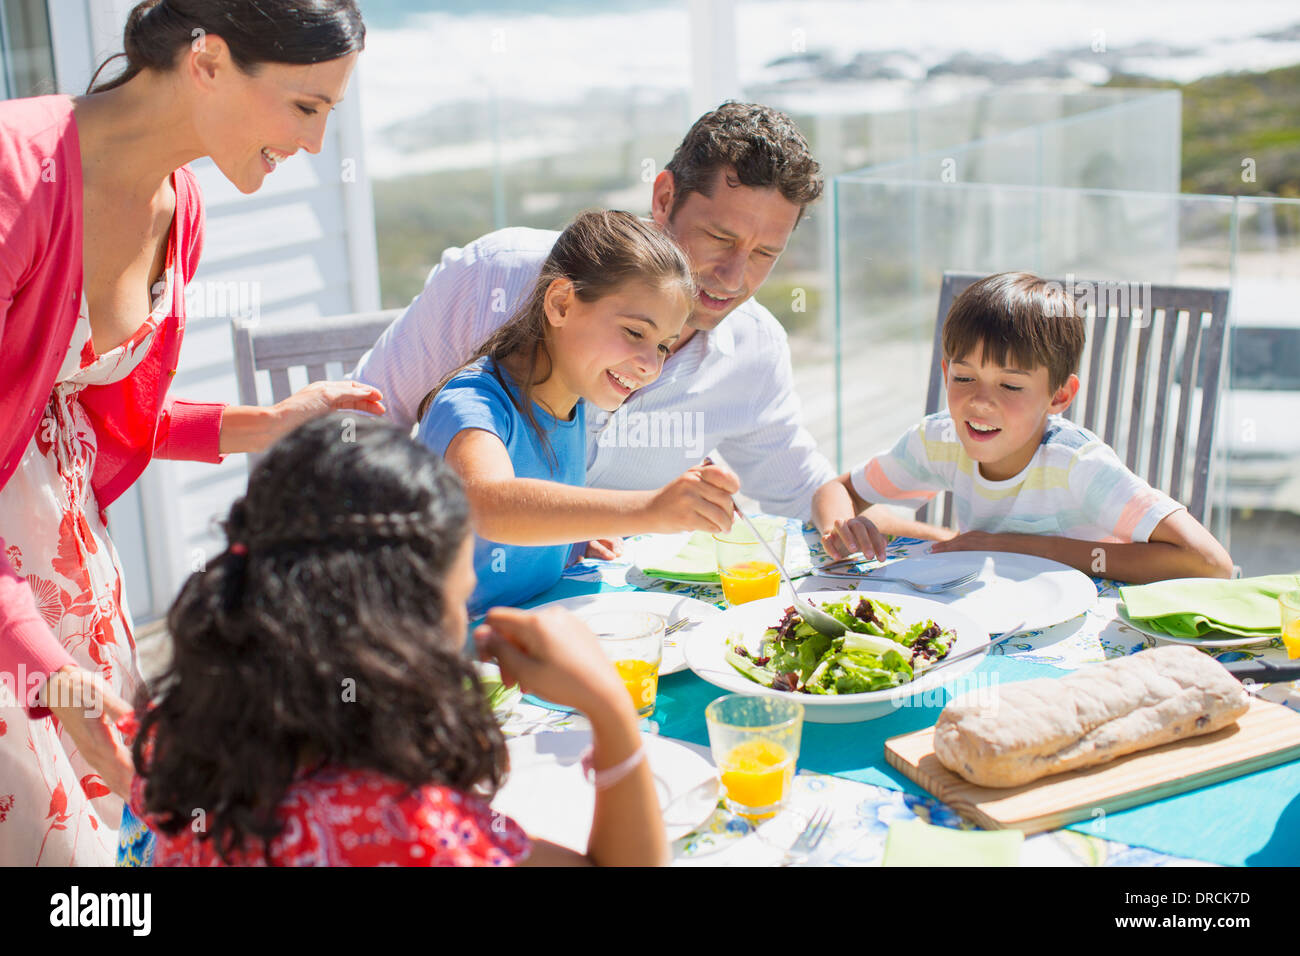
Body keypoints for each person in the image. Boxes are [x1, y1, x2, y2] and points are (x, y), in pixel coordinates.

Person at [0, 0, 385, 866]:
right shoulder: (15, 174)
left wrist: (271, 424)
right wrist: (39, 666)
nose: (318, 146)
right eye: (306, 106)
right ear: (207, 61)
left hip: (69, 578)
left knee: (115, 857)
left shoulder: (181, 206)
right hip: (10, 612)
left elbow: (96, 423)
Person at [124, 413, 667, 866]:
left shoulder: (183, 752)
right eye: (459, 602)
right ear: (398, 628)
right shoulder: (408, 828)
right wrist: (610, 710)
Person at [352, 102, 835, 534]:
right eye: (719, 238)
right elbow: (358, 434)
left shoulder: (754, 347)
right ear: (664, 197)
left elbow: (807, 490)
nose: (733, 279)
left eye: (765, 253)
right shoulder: (493, 280)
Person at [812, 272, 1234, 584]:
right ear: (945, 373)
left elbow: (1209, 563)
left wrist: (1015, 545)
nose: (979, 400)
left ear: (1059, 396)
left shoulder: (1077, 465)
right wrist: (841, 529)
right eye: (964, 377)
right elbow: (836, 490)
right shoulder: (940, 441)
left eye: (1011, 385)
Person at [417, 210, 740, 616]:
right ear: (561, 304)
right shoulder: (473, 404)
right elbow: (491, 507)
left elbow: (528, 517)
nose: (650, 365)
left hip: (522, 630)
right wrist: (651, 510)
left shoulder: (572, 403)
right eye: (635, 333)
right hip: (438, 655)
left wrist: (568, 539)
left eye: (663, 346)